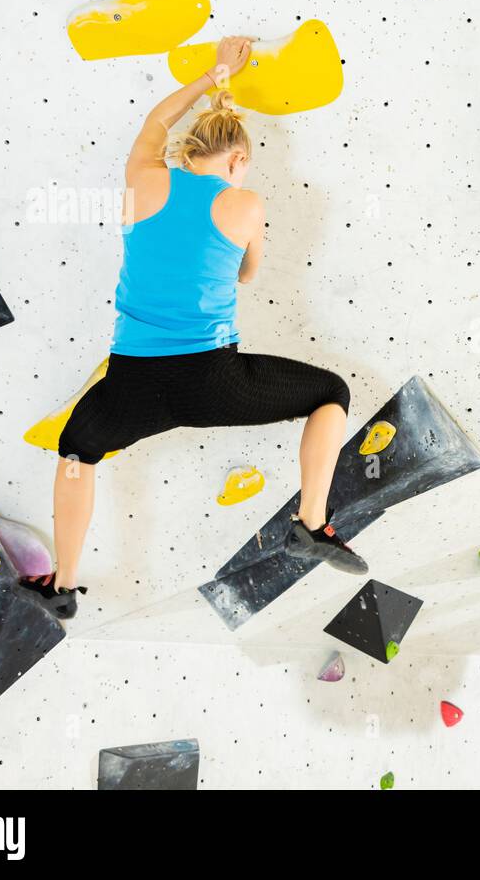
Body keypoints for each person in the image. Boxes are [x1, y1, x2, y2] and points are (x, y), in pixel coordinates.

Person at [34, 36, 365, 606]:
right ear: (238, 160)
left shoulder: (143, 177)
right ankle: (311, 523)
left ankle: (62, 586)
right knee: (331, 393)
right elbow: (247, 274)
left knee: (76, 453)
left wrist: (214, 77)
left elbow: (157, 118)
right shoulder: (245, 204)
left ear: (191, 147)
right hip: (215, 382)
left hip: (131, 384)